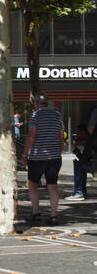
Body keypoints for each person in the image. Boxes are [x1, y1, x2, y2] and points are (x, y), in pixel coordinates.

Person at [22, 93, 65, 227]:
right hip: (54, 156)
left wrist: (25, 154)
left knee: (33, 184)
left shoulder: (36, 115)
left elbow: (31, 136)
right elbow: (61, 137)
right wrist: (58, 151)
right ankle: (53, 216)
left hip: (37, 156)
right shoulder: (57, 115)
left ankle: (36, 213)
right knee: (52, 185)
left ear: (36, 103)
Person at [66, 122, 91, 202]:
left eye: (78, 132)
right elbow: (84, 158)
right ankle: (82, 192)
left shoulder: (90, 142)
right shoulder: (89, 141)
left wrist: (75, 149)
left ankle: (79, 192)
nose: (77, 134)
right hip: (93, 163)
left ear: (84, 133)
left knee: (79, 165)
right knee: (80, 164)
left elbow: (84, 158)